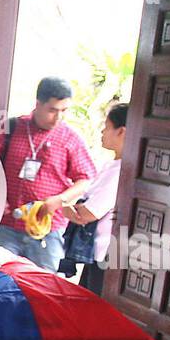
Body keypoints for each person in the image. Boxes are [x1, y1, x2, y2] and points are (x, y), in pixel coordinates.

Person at [0, 75, 96, 270]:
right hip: (5, 224)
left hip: (47, 230)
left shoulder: (70, 138)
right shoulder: (11, 127)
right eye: (52, 110)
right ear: (38, 104)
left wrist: (59, 200)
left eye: (64, 110)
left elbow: (85, 179)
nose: (59, 117)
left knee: (43, 289)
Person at [62, 102, 126, 295]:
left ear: (121, 132)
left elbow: (87, 213)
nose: (102, 132)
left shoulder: (120, 172)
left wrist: (65, 205)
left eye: (106, 127)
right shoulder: (111, 166)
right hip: (98, 254)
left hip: (107, 257)